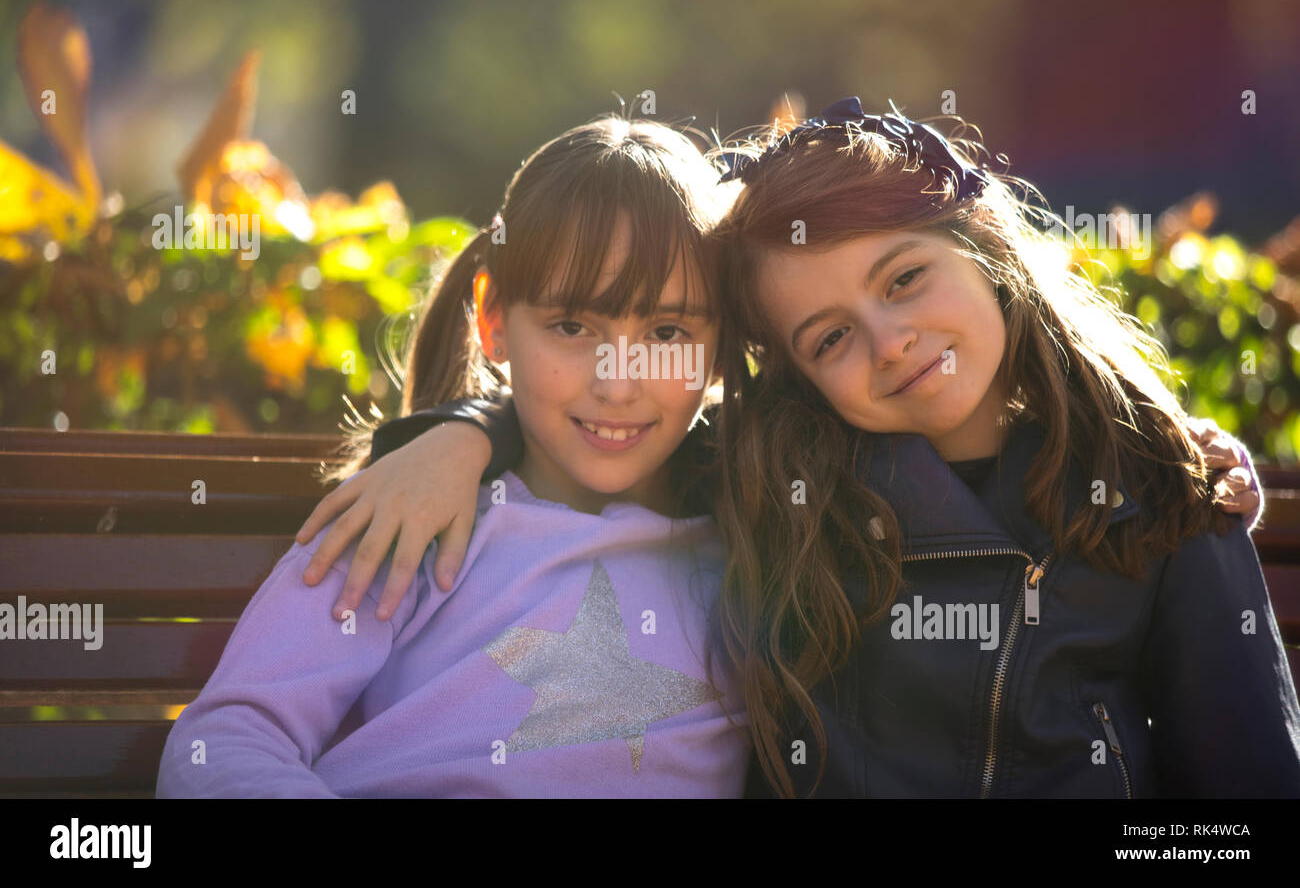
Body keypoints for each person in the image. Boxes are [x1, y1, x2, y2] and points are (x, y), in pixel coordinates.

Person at [292, 100, 1281, 799]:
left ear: (983, 245)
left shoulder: (1159, 486)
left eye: (903, 278)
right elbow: (609, 418)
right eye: (828, 338)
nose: (887, 341)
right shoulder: (774, 475)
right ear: (794, 373)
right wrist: (465, 431)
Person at [155, 114, 750, 797]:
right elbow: (227, 739)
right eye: (571, 326)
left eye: (667, 330)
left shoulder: (758, 542)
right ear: (493, 318)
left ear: (722, 345)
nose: (617, 383)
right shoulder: (410, 513)